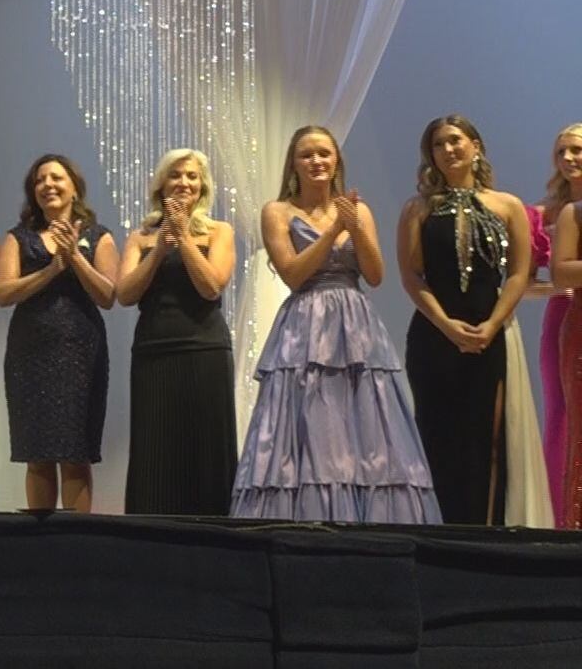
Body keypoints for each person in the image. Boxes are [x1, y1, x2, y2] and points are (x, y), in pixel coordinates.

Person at [230, 126, 439, 522]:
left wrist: (354, 227)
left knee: (364, 424)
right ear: (293, 163)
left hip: (355, 325)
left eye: (324, 153)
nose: (316, 161)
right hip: (305, 323)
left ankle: (366, 518)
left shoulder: (357, 211)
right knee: (313, 421)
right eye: (307, 154)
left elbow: (375, 275)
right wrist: (333, 232)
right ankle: (309, 517)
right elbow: (293, 274)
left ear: (336, 161)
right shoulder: (278, 212)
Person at [397, 115, 541, 526]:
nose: (448, 149)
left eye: (455, 140)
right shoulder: (418, 208)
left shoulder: (508, 205)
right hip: (433, 336)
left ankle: (484, 532)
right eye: (439, 145)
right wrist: (445, 325)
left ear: (476, 146)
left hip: (488, 332)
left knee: (487, 439)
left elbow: (517, 273)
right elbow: (411, 276)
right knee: (439, 435)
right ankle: (439, 531)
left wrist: (494, 324)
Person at [113, 148, 236, 516]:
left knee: (207, 449)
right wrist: (158, 249)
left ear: (202, 187)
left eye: (192, 177)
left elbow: (211, 287)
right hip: (154, 350)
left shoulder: (219, 231)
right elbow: (125, 293)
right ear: (161, 186)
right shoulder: (140, 237)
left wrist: (183, 238)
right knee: (156, 451)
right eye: (175, 175)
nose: (184, 182)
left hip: (205, 349)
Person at [0, 154, 116, 513]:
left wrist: (73, 258)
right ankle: (38, 544)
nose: (48, 185)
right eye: (40, 180)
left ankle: (76, 545)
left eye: (56, 178)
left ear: (74, 188)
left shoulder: (98, 236)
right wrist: (51, 270)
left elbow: (109, 295)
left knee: (75, 453)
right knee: (37, 453)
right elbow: (3, 294)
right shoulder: (19, 238)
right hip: (30, 352)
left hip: (81, 353)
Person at [536, 124, 582, 521]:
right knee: (563, 413)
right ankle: (562, 513)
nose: (568, 158)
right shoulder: (545, 213)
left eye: (576, 150)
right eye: (561, 152)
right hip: (565, 313)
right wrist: (555, 287)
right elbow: (529, 278)